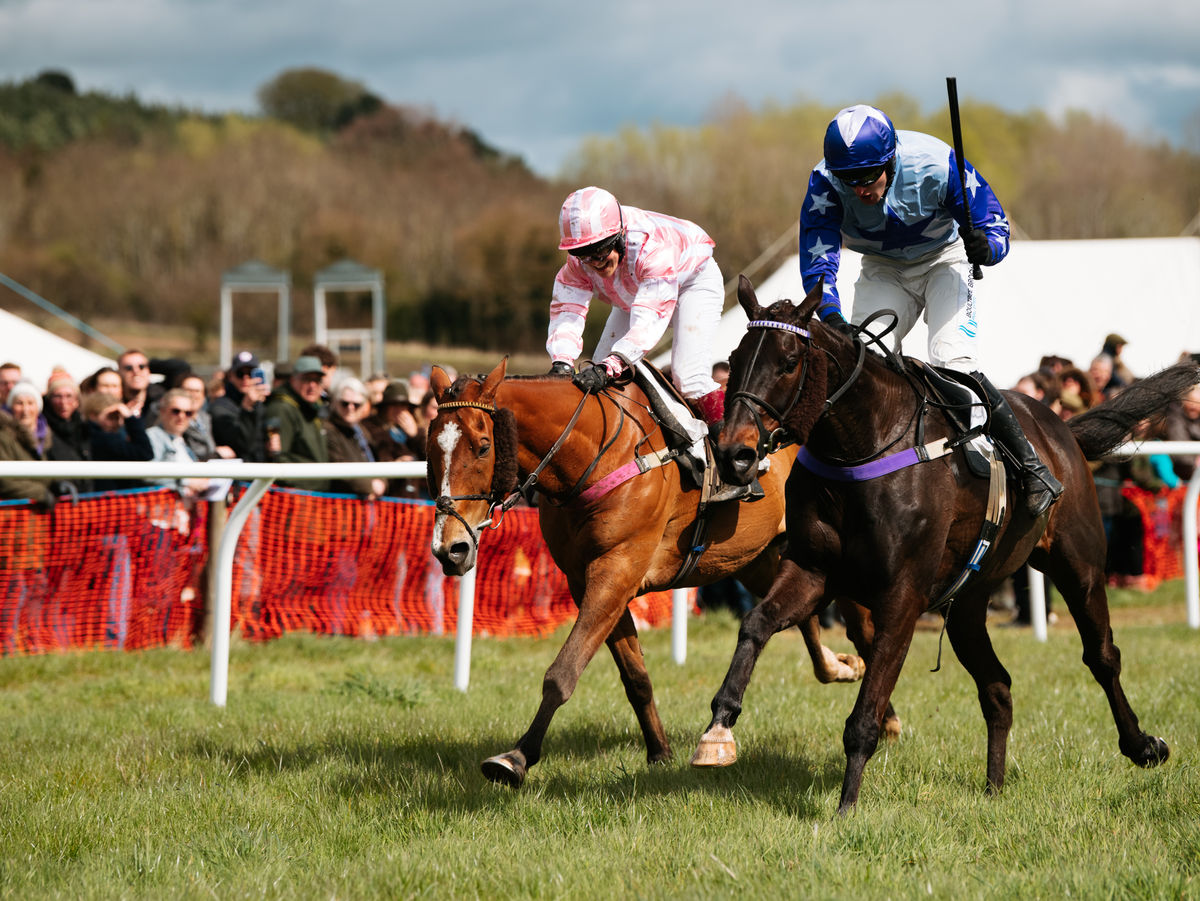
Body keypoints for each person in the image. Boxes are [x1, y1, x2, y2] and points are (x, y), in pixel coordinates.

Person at [799, 104, 1061, 516]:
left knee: (951, 360)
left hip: (945, 260)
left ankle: (1028, 466)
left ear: (891, 159)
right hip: (883, 268)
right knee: (865, 359)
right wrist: (832, 316)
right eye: (849, 180)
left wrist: (986, 249)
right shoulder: (824, 182)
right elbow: (818, 261)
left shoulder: (938, 163)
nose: (860, 190)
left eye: (868, 177)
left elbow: (995, 227)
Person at [547, 186, 728, 425]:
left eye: (600, 252)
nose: (594, 263)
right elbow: (567, 311)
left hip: (692, 283)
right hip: (635, 293)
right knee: (596, 382)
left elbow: (647, 324)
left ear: (620, 235)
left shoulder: (652, 248)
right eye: (583, 254)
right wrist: (562, 361)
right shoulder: (578, 262)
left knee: (688, 378)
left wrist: (610, 367)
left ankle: (737, 449)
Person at [262, 355, 329, 490]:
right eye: (306, 379)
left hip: (316, 497)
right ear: (293, 380)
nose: (312, 386)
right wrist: (305, 486)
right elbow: (278, 459)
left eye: (317, 380)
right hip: (296, 497)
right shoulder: (281, 408)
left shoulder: (312, 407)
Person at [363, 378, 426, 499]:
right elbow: (380, 451)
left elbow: (428, 456)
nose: (399, 410)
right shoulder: (371, 427)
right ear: (384, 407)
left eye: (403, 406)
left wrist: (415, 435)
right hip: (387, 496)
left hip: (412, 497)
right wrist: (396, 465)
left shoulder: (414, 429)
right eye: (394, 405)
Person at [325, 376, 386, 499]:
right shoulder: (328, 429)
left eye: (356, 405)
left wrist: (383, 482)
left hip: (369, 504)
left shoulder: (363, 430)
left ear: (364, 406)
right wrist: (370, 486)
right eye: (345, 403)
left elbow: (378, 459)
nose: (350, 408)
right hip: (343, 503)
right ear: (335, 403)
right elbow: (338, 466)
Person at [81, 390, 152, 491]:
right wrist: (130, 418)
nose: (118, 423)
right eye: (112, 417)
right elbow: (145, 452)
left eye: (120, 417)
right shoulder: (102, 439)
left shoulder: (112, 436)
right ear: (93, 416)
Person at [145, 388, 209, 500]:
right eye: (176, 411)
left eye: (188, 413)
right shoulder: (153, 436)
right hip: (159, 510)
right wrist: (186, 482)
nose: (182, 416)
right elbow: (148, 475)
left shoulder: (185, 441)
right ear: (163, 411)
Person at [209, 351, 269, 462]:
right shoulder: (220, 407)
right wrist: (246, 408)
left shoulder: (261, 404)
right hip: (237, 474)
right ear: (231, 376)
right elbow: (242, 446)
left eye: (251, 373)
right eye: (240, 373)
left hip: (262, 471)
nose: (246, 378)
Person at [42, 370, 92, 493]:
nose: (63, 402)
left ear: (77, 401)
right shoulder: (41, 428)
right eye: (57, 396)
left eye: (69, 396)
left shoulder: (86, 428)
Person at [1163, 383, 1200, 481]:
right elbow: (1181, 454)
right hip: (1181, 475)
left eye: (1197, 403)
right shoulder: (1174, 419)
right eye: (1190, 401)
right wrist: (1196, 460)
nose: (1193, 406)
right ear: (1184, 401)